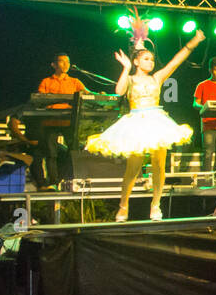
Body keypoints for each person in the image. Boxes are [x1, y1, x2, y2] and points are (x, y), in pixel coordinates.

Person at [86, 13, 205, 221]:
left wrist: (192, 43)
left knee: (159, 164)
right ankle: (123, 205)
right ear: (136, 61)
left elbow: (175, 61)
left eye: (151, 59)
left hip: (157, 121)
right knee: (134, 167)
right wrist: (125, 68)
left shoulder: (157, 78)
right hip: (135, 122)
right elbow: (120, 90)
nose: (151, 62)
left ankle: (156, 204)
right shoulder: (131, 78)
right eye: (146, 59)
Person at [36, 53, 87, 188]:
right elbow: (40, 98)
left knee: (72, 151)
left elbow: (87, 94)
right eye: (62, 61)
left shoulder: (75, 82)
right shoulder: (46, 81)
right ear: (54, 65)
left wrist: (99, 95)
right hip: (50, 121)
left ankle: (67, 179)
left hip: (69, 121)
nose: (66, 64)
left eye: (68, 62)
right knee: (51, 153)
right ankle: (53, 182)